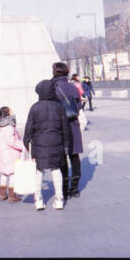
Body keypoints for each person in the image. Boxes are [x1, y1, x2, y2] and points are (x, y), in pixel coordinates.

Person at [23, 79, 72, 211]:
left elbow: (29, 128)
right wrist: (67, 145)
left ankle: (38, 200)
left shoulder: (35, 107)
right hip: (56, 143)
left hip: (39, 145)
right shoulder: (58, 107)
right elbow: (65, 128)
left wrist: (26, 143)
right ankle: (59, 199)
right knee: (56, 171)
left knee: (38, 172)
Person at [50, 62, 85, 199]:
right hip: (73, 124)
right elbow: (78, 106)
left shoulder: (52, 87)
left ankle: (63, 188)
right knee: (74, 156)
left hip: (59, 126)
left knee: (62, 157)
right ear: (67, 72)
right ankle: (75, 188)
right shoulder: (73, 87)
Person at [0, 106, 24, 203]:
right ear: (8, 114)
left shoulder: (0, 127)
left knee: (4, 173)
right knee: (13, 174)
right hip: (10, 155)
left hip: (3, 154)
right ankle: (12, 194)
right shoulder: (9, 127)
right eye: (11, 111)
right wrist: (22, 146)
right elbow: (12, 141)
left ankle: (2, 194)